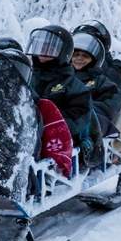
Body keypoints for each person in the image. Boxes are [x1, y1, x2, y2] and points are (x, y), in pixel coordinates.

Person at [25, 26, 94, 156]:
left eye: (50, 49)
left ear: (63, 53)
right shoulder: (27, 77)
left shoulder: (74, 86)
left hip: (56, 142)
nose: (43, 52)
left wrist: (46, 123)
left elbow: (78, 119)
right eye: (41, 47)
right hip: (26, 136)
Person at [70, 28, 121, 166]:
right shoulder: (64, 78)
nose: (79, 58)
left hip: (95, 119)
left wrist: (87, 107)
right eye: (76, 54)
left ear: (93, 59)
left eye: (85, 56)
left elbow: (111, 104)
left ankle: (88, 154)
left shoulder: (101, 81)